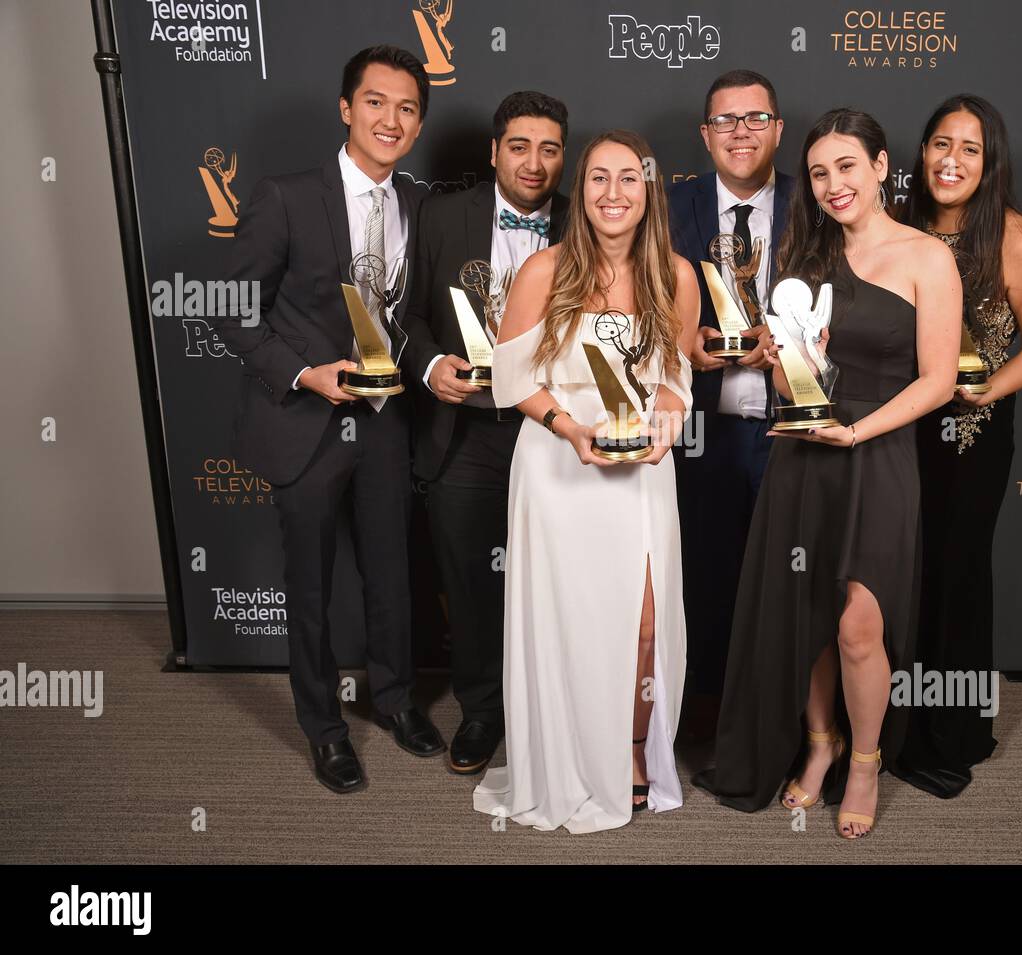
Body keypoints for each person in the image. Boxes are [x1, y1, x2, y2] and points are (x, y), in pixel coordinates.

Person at [694, 109, 962, 838]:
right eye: (818, 172)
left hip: (877, 453)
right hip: (805, 453)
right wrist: (786, 365)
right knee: (808, 618)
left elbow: (939, 379)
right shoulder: (803, 256)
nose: (833, 184)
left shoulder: (927, 258)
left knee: (856, 627)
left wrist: (860, 431)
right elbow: (792, 377)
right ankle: (820, 744)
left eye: (847, 166)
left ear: (881, 167)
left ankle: (867, 759)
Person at [216, 45, 444, 793]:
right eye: (376, 102)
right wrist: (304, 371)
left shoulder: (417, 202)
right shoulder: (285, 196)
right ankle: (323, 727)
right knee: (309, 587)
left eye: (408, 108)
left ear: (417, 125)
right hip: (304, 421)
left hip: (383, 420)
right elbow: (236, 310)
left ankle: (398, 699)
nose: (391, 118)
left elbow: (407, 315)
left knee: (391, 575)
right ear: (347, 109)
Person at [472, 130, 699, 832]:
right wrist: (569, 426)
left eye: (628, 178)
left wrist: (668, 406)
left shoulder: (677, 275)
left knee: (643, 624)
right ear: (583, 190)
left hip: (641, 476)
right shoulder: (546, 269)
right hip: (558, 468)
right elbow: (511, 382)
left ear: (648, 190)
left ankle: (630, 751)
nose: (611, 193)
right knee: (566, 617)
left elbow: (678, 374)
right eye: (598, 178)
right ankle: (564, 758)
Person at [891, 94, 1022, 798]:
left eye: (968, 148)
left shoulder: (1021, 239)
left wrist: (989, 391)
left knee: (955, 575)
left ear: (990, 163)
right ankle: (888, 724)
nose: (950, 160)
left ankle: (950, 732)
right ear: (922, 152)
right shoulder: (897, 231)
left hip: (970, 436)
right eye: (940, 143)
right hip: (900, 431)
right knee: (900, 573)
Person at [403, 91, 569, 775]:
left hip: (555, 430)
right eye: (520, 146)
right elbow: (406, 315)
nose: (535, 162)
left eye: (551, 149)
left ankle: (555, 710)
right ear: (494, 151)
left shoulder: (589, 221)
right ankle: (481, 711)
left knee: (560, 578)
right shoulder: (441, 215)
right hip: (464, 431)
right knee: (470, 582)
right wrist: (430, 363)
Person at [667, 70, 792, 736]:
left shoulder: (819, 204)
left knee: (781, 583)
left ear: (778, 128)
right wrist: (683, 342)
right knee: (704, 580)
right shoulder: (665, 206)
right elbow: (624, 306)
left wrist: (804, 345)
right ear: (704, 134)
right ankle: (704, 724)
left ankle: (777, 726)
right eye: (725, 120)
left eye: (754, 118)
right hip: (698, 429)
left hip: (791, 430)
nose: (739, 132)